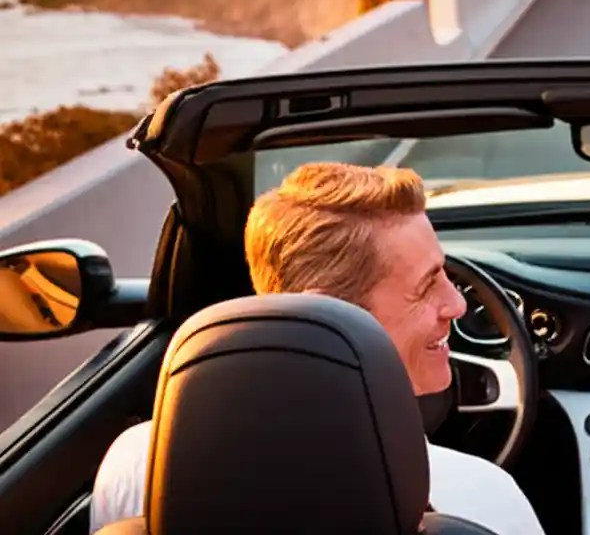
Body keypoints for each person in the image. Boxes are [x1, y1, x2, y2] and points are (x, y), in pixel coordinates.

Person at [89, 162, 545, 535]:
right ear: (328, 313)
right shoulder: (484, 501)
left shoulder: (134, 467)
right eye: (427, 286)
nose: (458, 303)